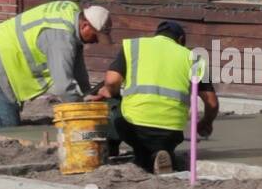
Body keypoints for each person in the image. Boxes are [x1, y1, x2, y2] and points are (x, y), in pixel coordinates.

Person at [0, 1, 111, 129]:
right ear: (85, 26)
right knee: (7, 122)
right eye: (96, 36)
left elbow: (76, 67)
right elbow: (63, 85)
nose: (95, 42)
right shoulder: (61, 39)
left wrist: (87, 93)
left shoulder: (70, 13)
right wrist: (81, 111)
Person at [93, 21, 218, 174]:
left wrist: (111, 93)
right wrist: (206, 122)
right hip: (171, 131)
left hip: (134, 127)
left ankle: (112, 151)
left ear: (157, 35)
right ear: (180, 40)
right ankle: (160, 155)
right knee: (157, 146)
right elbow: (212, 103)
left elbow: (112, 81)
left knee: (109, 103)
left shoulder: (134, 46)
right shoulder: (194, 58)